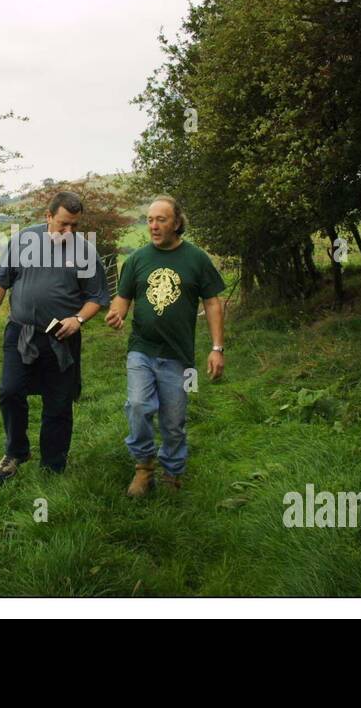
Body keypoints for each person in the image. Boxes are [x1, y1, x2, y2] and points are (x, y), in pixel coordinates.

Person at [0, 191, 109, 480]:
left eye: (75, 225)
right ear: (48, 217)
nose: (69, 231)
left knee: (58, 403)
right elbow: (0, 284)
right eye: (63, 224)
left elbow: (96, 297)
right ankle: (16, 452)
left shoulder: (85, 251)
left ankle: (53, 466)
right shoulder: (23, 241)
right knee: (10, 391)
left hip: (62, 337)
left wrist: (79, 319)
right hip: (20, 332)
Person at [105, 194, 225, 496]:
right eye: (150, 220)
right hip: (141, 349)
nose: (154, 226)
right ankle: (144, 468)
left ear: (177, 223)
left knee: (174, 422)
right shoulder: (136, 260)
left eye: (161, 219)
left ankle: (172, 472)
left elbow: (212, 302)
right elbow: (123, 298)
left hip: (179, 356)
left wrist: (216, 348)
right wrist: (117, 313)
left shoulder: (196, 259)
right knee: (137, 406)